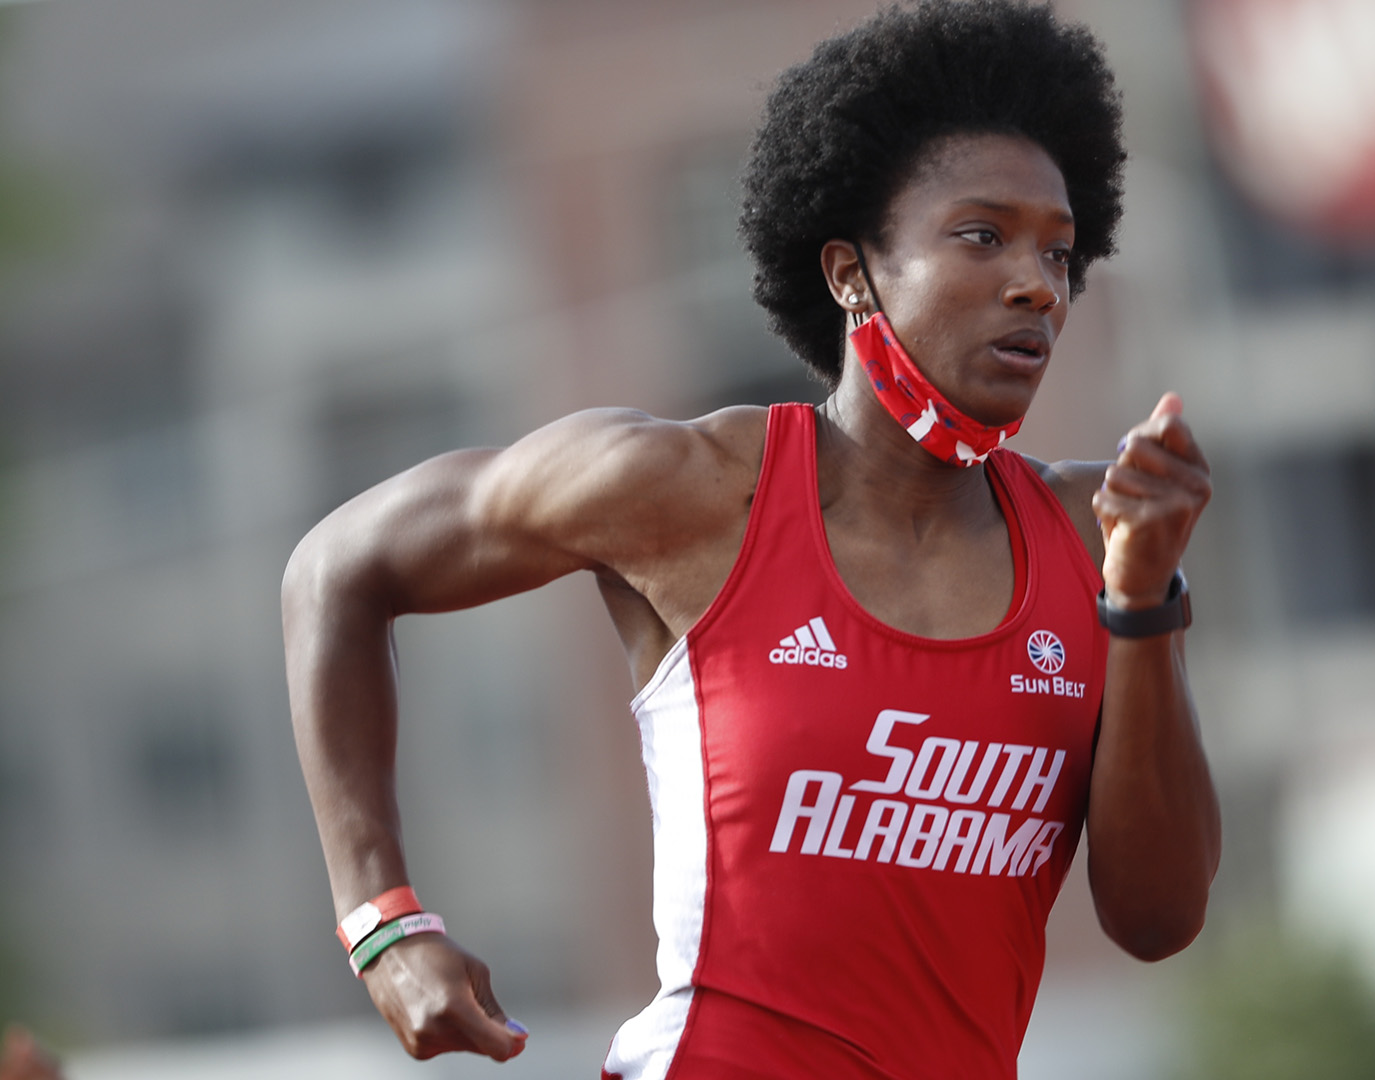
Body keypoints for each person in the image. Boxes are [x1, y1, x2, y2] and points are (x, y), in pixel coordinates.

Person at [282, 1, 1220, 1076]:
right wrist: (384, 925)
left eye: (1059, 254)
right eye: (981, 235)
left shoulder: (1095, 540)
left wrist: (1141, 602)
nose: (1035, 286)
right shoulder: (685, 491)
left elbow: (1158, 919)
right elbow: (333, 571)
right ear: (849, 271)